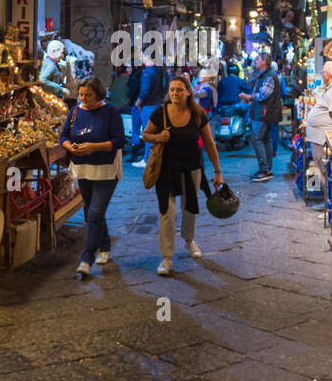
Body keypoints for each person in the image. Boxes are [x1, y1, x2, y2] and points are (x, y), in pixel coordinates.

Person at [142, 75, 224, 276]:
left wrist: (217, 171)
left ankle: (189, 240)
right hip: (166, 169)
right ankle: (167, 256)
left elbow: (210, 143)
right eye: (172, 90)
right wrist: (158, 137)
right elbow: (145, 135)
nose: (175, 93)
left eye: (179, 90)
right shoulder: (160, 113)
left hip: (192, 167)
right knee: (166, 212)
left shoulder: (197, 114)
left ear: (188, 92)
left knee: (189, 208)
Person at [59, 76, 126, 279]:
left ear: (98, 95)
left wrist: (94, 147)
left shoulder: (110, 113)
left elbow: (119, 141)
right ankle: (105, 246)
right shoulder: (75, 112)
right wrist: (69, 146)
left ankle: (86, 258)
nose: (83, 99)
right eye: (80, 95)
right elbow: (63, 136)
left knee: (95, 213)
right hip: (83, 169)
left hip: (106, 170)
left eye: (88, 95)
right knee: (93, 212)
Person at [240, 52, 281, 182]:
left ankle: (264, 170)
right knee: (265, 140)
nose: (255, 61)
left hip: (263, 113)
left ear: (264, 61)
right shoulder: (263, 75)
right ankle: (267, 169)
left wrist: (249, 97)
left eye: (258, 59)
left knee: (257, 139)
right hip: (263, 112)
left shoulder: (270, 76)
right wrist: (250, 99)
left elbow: (263, 95)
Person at [130, 56, 165, 166]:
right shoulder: (159, 70)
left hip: (148, 105)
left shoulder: (147, 72)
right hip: (157, 104)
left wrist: (138, 103)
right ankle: (153, 158)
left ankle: (147, 159)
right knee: (154, 132)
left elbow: (145, 90)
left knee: (147, 133)